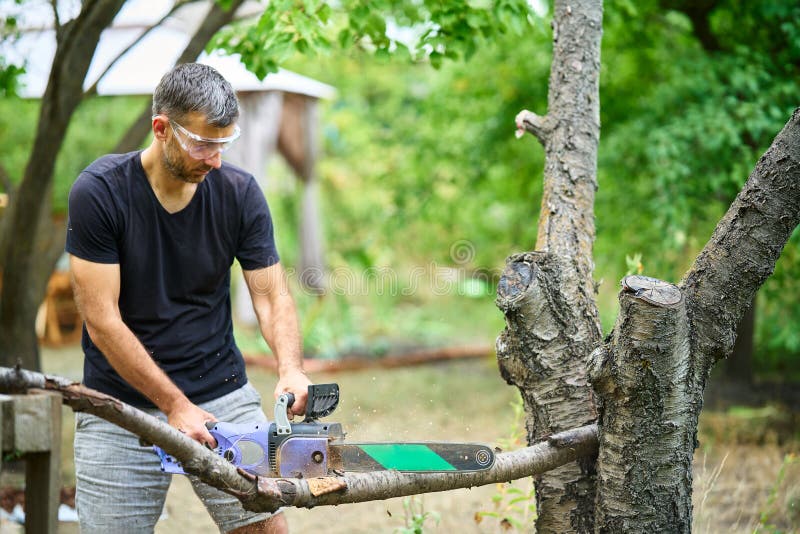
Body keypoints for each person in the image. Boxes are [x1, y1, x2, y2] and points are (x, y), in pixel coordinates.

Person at [66, 62, 311, 533]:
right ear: (161, 129)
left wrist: (290, 367)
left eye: (225, 143)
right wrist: (174, 405)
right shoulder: (99, 194)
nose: (215, 159)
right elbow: (102, 321)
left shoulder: (239, 194)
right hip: (121, 403)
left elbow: (271, 295)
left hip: (222, 389)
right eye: (203, 143)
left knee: (266, 529)